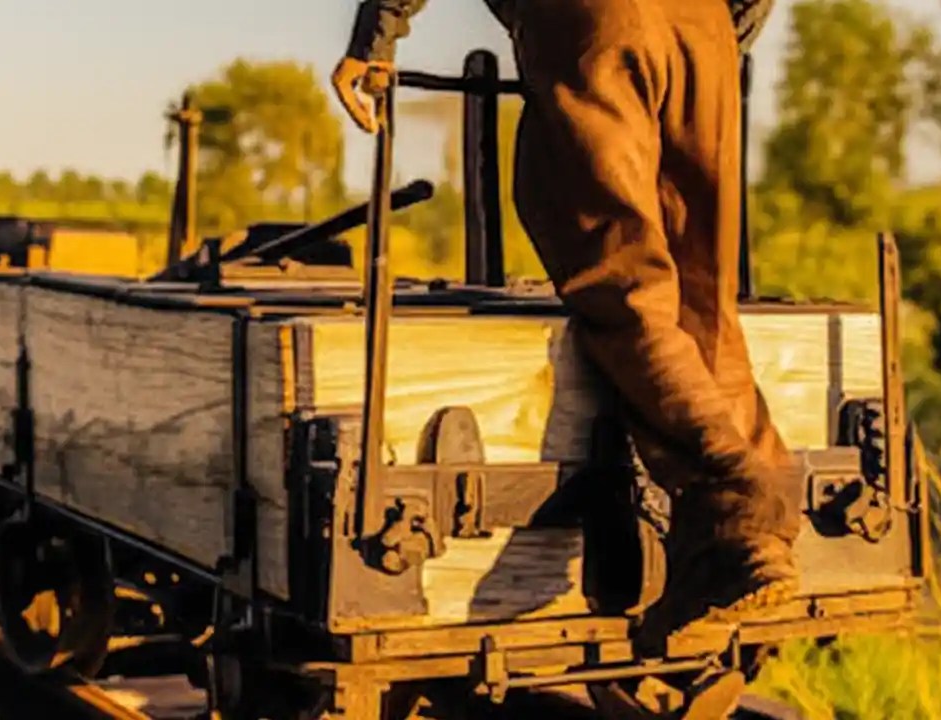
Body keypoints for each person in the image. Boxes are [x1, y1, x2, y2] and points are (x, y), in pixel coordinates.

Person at [331, 0, 800, 647]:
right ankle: (755, 535)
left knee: (624, 283)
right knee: (703, 296)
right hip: (702, 27)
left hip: (596, 25)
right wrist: (722, 30)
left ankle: (732, 500)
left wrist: (376, 37)